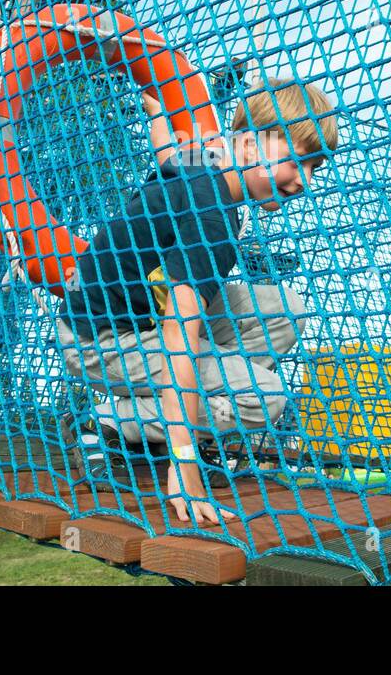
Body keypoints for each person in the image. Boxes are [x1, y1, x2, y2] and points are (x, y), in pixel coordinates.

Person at [55, 77, 339, 525]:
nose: (303, 181)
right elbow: (177, 341)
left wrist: (156, 116)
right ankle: (112, 420)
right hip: (102, 338)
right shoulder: (212, 217)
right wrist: (184, 468)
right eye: (296, 163)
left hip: (137, 314)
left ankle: (177, 408)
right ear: (248, 145)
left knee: (285, 308)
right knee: (263, 400)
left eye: (314, 169)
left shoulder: (203, 163)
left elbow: (169, 155)